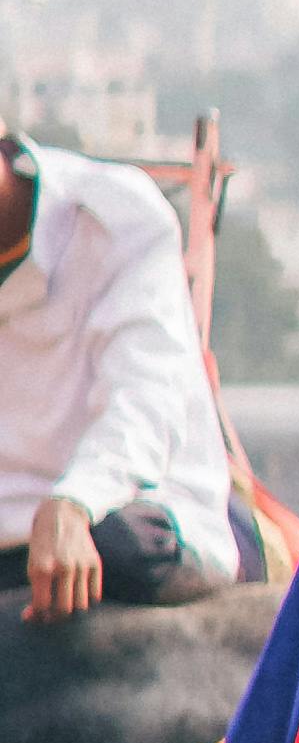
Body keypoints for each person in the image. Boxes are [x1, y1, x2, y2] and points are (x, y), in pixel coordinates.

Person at [0, 124, 242, 620]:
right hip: (12, 542)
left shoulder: (113, 214)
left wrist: (74, 502)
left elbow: (143, 404)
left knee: (116, 547)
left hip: (124, 515)